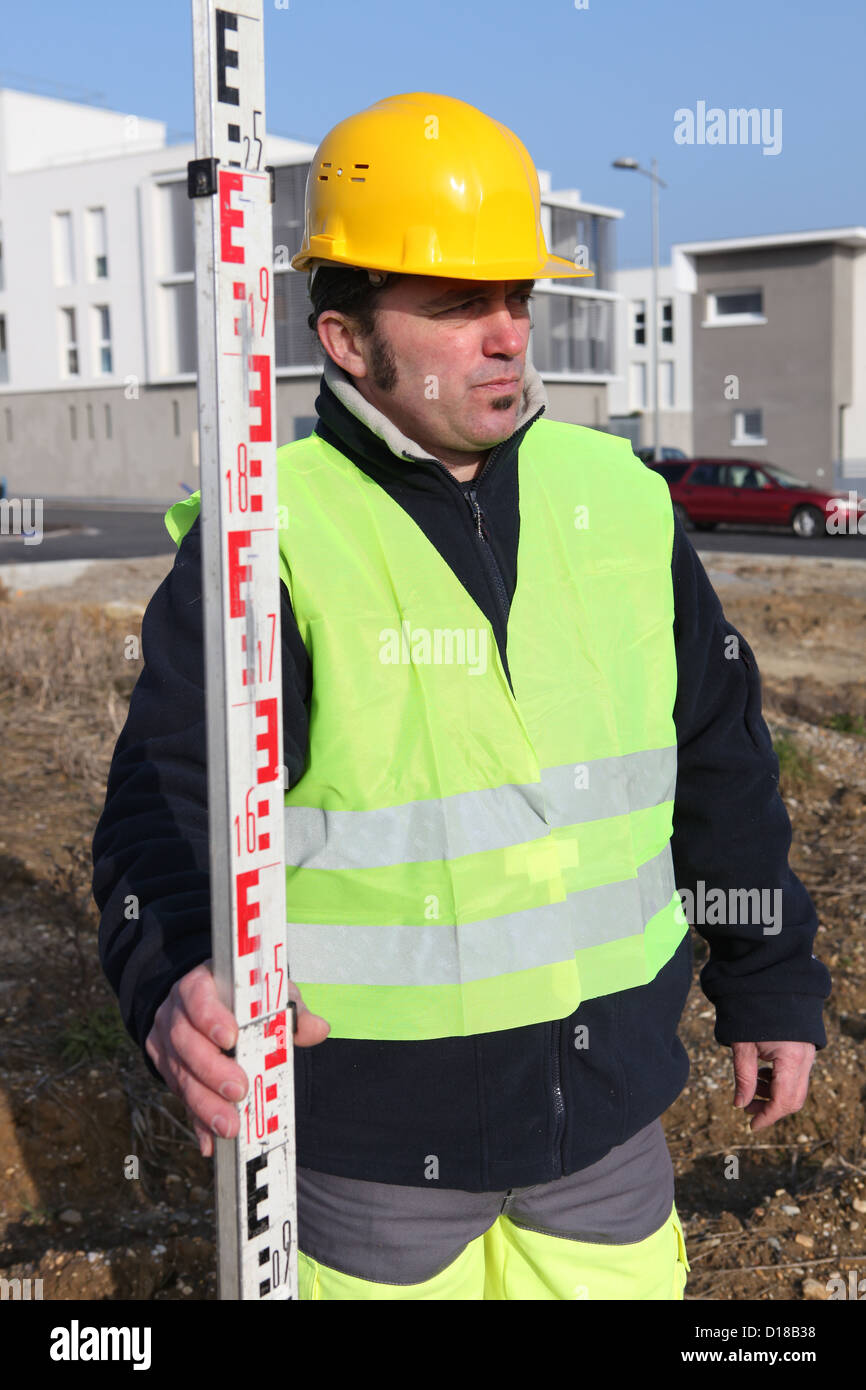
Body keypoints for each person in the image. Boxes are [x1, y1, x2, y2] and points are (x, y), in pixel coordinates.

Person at [92, 92, 830, 1301]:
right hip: (369, 1164)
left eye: (517, 300)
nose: (505, 336)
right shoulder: (264, 537)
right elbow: (160, 815)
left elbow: (718, 762)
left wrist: (767, 975)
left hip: (605, 1134)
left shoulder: (621, 500)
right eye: (455, 306)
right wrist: (170, 970)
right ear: (344, 339)